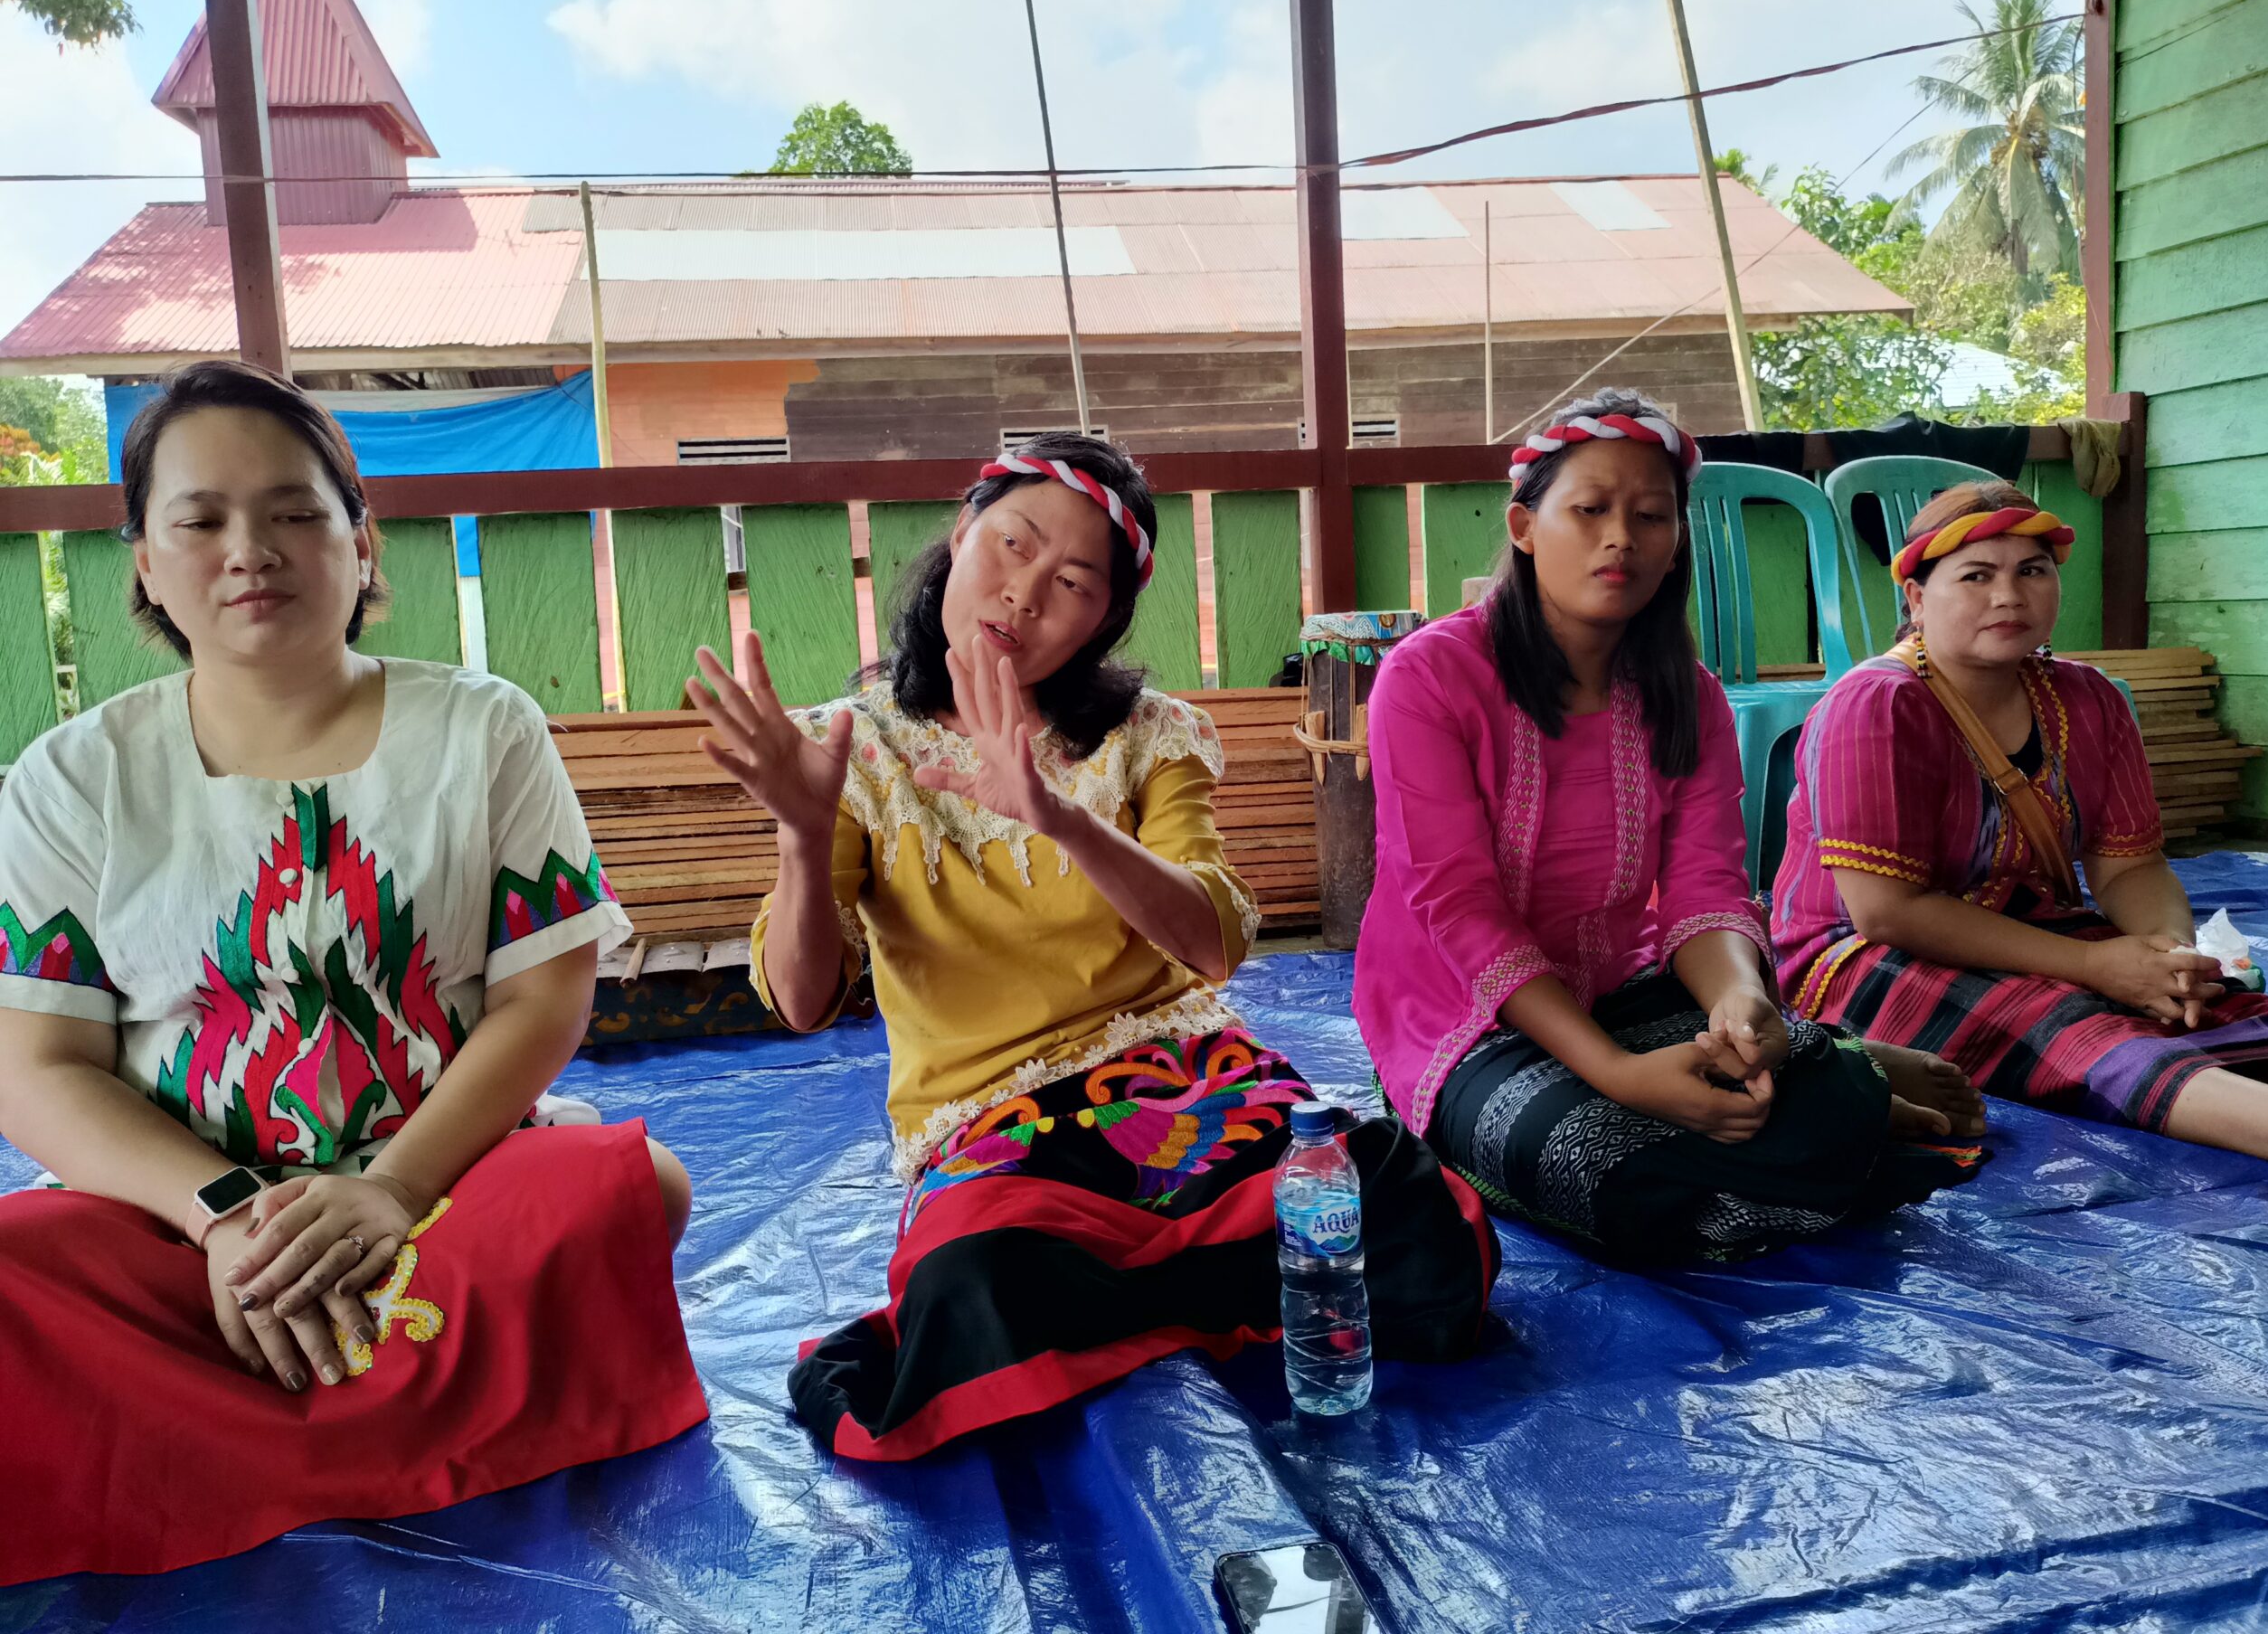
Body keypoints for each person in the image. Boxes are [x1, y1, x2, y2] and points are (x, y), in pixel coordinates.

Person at [0, 362, 701, 1586]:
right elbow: (38, 1067)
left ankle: (222, 1451)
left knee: (640, 1187)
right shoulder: (69, 779)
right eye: (200, 520)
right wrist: (228, 1218)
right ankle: (423, 1422)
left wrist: (387, 1189)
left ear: (361, 544)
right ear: (146, 566)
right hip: (182, 1233)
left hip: (437, 1194)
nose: (249, 549)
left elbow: (545, 997)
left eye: (292, 512)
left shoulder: (483, 730)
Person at [694, 434, 1497, 1460]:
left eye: (1071, 581)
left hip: (1185, 1079)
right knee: (970, 1279)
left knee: (1396, 1200)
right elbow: (801, 1001)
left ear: (1104, 618)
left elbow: (1211, 943)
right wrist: (804, 836)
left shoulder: (1147, 736)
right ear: (957, 536)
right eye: (1010, 545)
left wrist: (1057, 816)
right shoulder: (853, 749)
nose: (1023, 593)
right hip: (990, 1115)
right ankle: (1195, 1290)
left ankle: (1116, 1308)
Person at [1355, 391, 1984, 1262]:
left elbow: (1705, 888)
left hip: (1622, 988)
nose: (1623, 537)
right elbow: (1458, 905)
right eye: (1590, 510)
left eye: (1652, 515)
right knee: (1607, 1168)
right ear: (1525, 526)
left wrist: (1738, 999)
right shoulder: (1429, 678)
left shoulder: (1685, 695)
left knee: (1792, 1094)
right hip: (1460, 1021)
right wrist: (1620, 1077)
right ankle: (1850, 1102)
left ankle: (1842, 1090)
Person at [1772, 477, 2268, 1161]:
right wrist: (2095, 965)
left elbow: (2131, 867)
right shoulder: (1876, 705)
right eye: (1976, 575)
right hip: (1858, 953)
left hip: (2030, 921)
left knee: (2218, 1004)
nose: (2009, 595)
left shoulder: (2090, 700)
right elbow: (1889, 912)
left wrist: (2167, 955)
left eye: (2033, 571)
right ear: (1915, 598)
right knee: (2067, 1023)